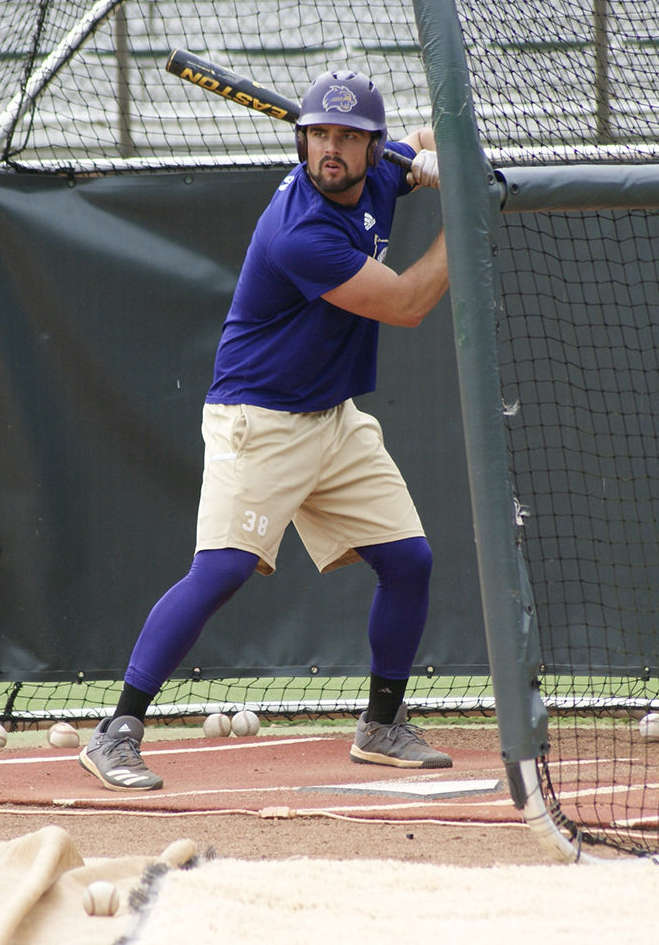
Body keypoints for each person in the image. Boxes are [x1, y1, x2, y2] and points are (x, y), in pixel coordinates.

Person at [79, 69, 450, 791]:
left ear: (374, 149)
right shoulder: (301, 232)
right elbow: (405, 303)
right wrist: (466, 219)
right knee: (222, 569)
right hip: (261, 421)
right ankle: (116, 730)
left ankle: (380, 726)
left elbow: (427, 137)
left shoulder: (380, 176)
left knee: (410, 561)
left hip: (333, 418)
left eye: (347, 137)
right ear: (302, 142)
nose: (330, 150)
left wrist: (435, 161)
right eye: (319, 136)